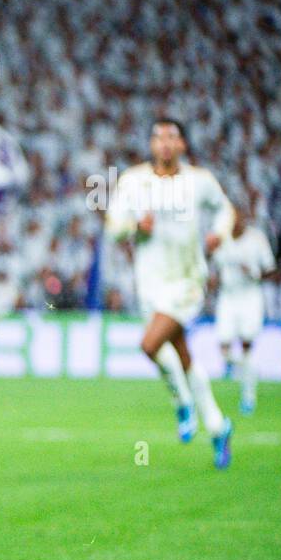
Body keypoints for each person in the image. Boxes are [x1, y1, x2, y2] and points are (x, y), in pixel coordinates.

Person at [107, 119, 235, 469]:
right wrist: (135, 226)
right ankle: (219, 426)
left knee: (149, 345)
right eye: (158, 137)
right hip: (150, 284)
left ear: (182, 145)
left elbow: (226, 209)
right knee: (180, 354)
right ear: (151, 144)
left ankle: (182, 403)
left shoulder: (199, 181)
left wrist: (220, 233)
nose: (164, 143)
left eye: (172, 137)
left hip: (188, 280)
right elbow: (113, 228)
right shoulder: (133, 181)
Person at [211, 206, 276, 414]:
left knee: (247, 344)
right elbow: (215, 268)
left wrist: (254, 273)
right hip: (228, 297)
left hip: (250, 297)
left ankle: (248, 396)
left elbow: (271, 270)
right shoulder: (221, 240)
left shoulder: (256, 239)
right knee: (224, 350)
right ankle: (251, 372)